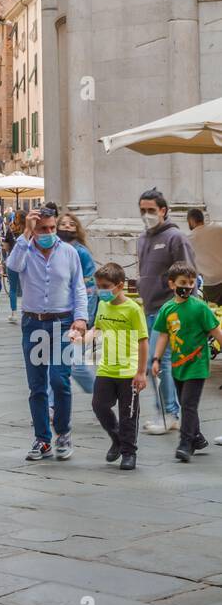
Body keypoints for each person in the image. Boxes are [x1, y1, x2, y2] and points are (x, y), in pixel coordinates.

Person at [7, 206, 88, 462]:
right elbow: (12, 266)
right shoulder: (25, 250)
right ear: (35, 229)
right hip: (33, 323)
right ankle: (42, 439)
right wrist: (26, 234)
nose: (50, 233)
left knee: (60, 380)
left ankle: (63, 433)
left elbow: (79, 287)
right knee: (37, 385)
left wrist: (81, 318)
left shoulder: (69, 252)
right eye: (44, 229)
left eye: (52, 228)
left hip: (62, 324)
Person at [151, 261, 222, 462]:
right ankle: (197, 437)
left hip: (197, 364)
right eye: (183, 282)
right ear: (172, 284)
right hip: (177, 365)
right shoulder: (167, 309)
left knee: (189, 405)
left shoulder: (200, 308)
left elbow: (215, 332)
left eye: (191, 282)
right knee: (184, 403)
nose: (188, 286)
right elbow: (163, 335)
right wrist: (156, 358)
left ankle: (185, 443)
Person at [138, 189, 195, 435]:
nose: (147, 215)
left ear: (163, 210)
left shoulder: (175, 238)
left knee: (158, 361)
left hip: (170, 311)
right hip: (150, 309)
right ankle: (167, 412)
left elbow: (189, 275)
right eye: (142, 210)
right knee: (160, 363)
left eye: (151, 210)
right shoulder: (142, 238)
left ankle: (169, 413)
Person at [89, 263, 148, 472]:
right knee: (99, 405)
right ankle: (116, 437)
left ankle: (129, 453)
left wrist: (141, 372)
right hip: (106, 367)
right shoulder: (103, 304)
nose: (101, 290)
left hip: (128, 369)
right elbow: (98, 327)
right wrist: (85, 336)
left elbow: (143, 340)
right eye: (98, 286)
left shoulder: (132, 309)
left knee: (128, 413)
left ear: (119, 285)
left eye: (105, 286)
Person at [57, 213, 97, 327]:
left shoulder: (82, 252)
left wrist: (87, 316)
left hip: (76, 307)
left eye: (71, 224)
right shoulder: (53, 250)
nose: (67, 226)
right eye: (63, 224)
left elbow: (91, 284)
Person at [187, 208, 222, 305]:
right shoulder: (218, 228)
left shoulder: (189, 239)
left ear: (191, 220)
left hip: (211, 284)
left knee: (214, 315)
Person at [2, 210, 25, 324]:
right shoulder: (29, 232)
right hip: (26, 263)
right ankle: (27, 311)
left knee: (13, 289)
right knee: (28, 288)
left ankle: (14, 313)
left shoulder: (11, 231)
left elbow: (6, 247)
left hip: (13, 262)